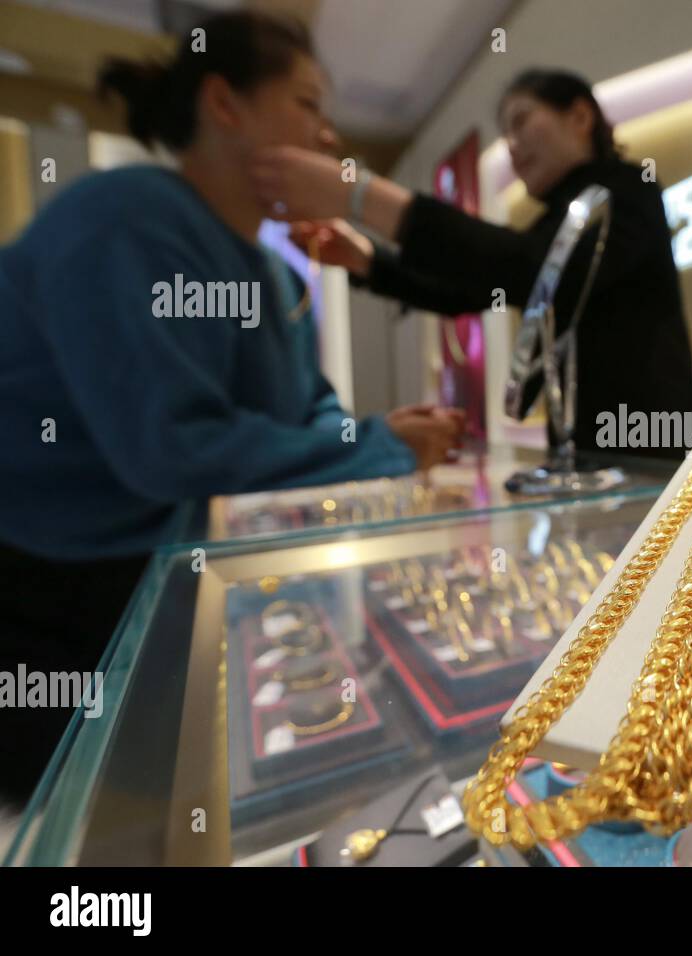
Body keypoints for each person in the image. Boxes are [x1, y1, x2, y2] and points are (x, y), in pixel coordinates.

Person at [0, 11, 462, 807]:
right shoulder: (120, 220)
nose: (327, 135)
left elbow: (308, 412)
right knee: (96, 805)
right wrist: (377, 447)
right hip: (58, 588)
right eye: (308, 105)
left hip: (176, 576)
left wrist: (375, 436)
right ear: (224, 104)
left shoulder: (277, 278)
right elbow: (172, 446)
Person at [249, 69, 692, 462]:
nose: (511, 146)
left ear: (579, 115)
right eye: (505, 133)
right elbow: (467, 288)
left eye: (520, 121)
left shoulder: (625, 192)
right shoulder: (556, 219)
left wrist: (360, 195)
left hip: (657, 444)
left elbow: (527, 268)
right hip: (595, 451)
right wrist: (366, 261)